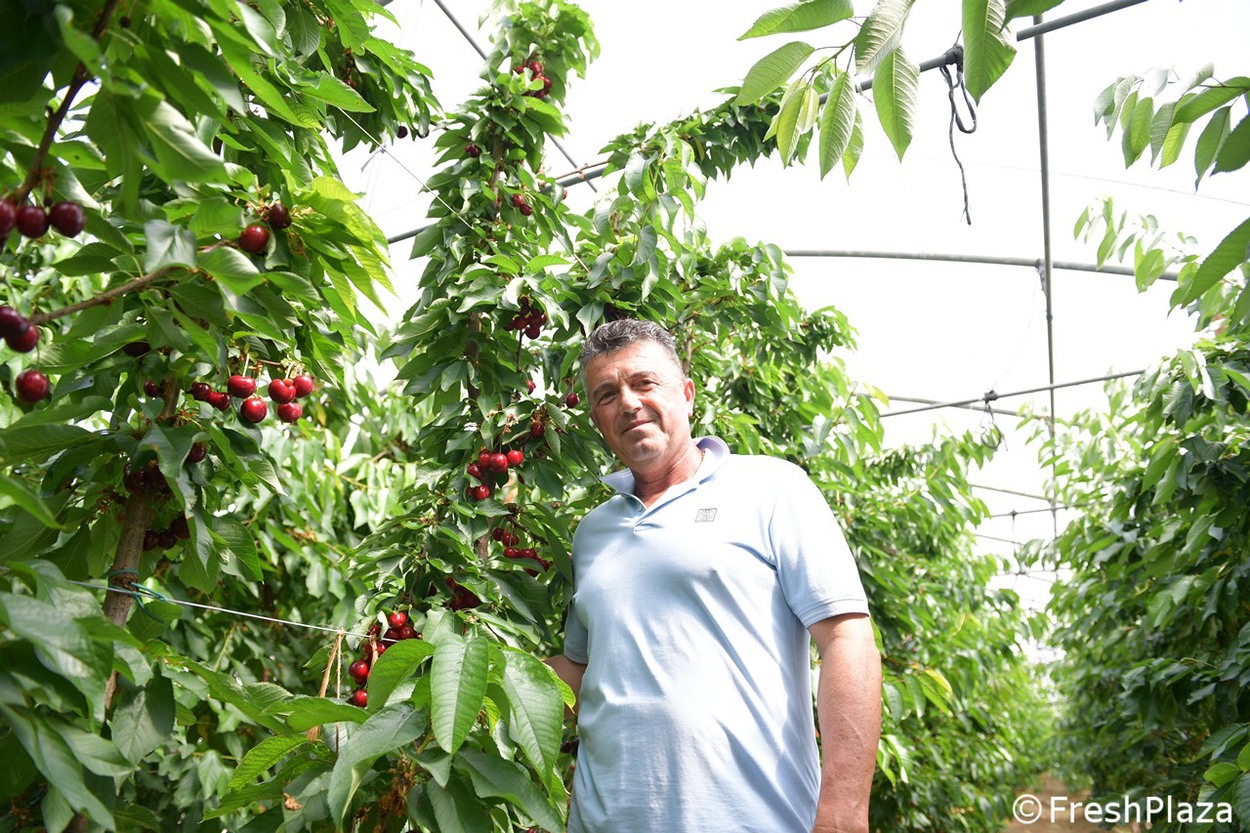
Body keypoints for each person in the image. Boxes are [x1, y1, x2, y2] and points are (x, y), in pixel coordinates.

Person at [545, 318, 881, 833]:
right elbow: (585, 668)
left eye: (644, 383)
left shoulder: (772, 488)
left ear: (687, 394)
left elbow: (846, 639)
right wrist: (464, 674)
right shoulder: (593, 532)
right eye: (606, 394)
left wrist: (843, 813)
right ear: (597, 419)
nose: (628, 403)